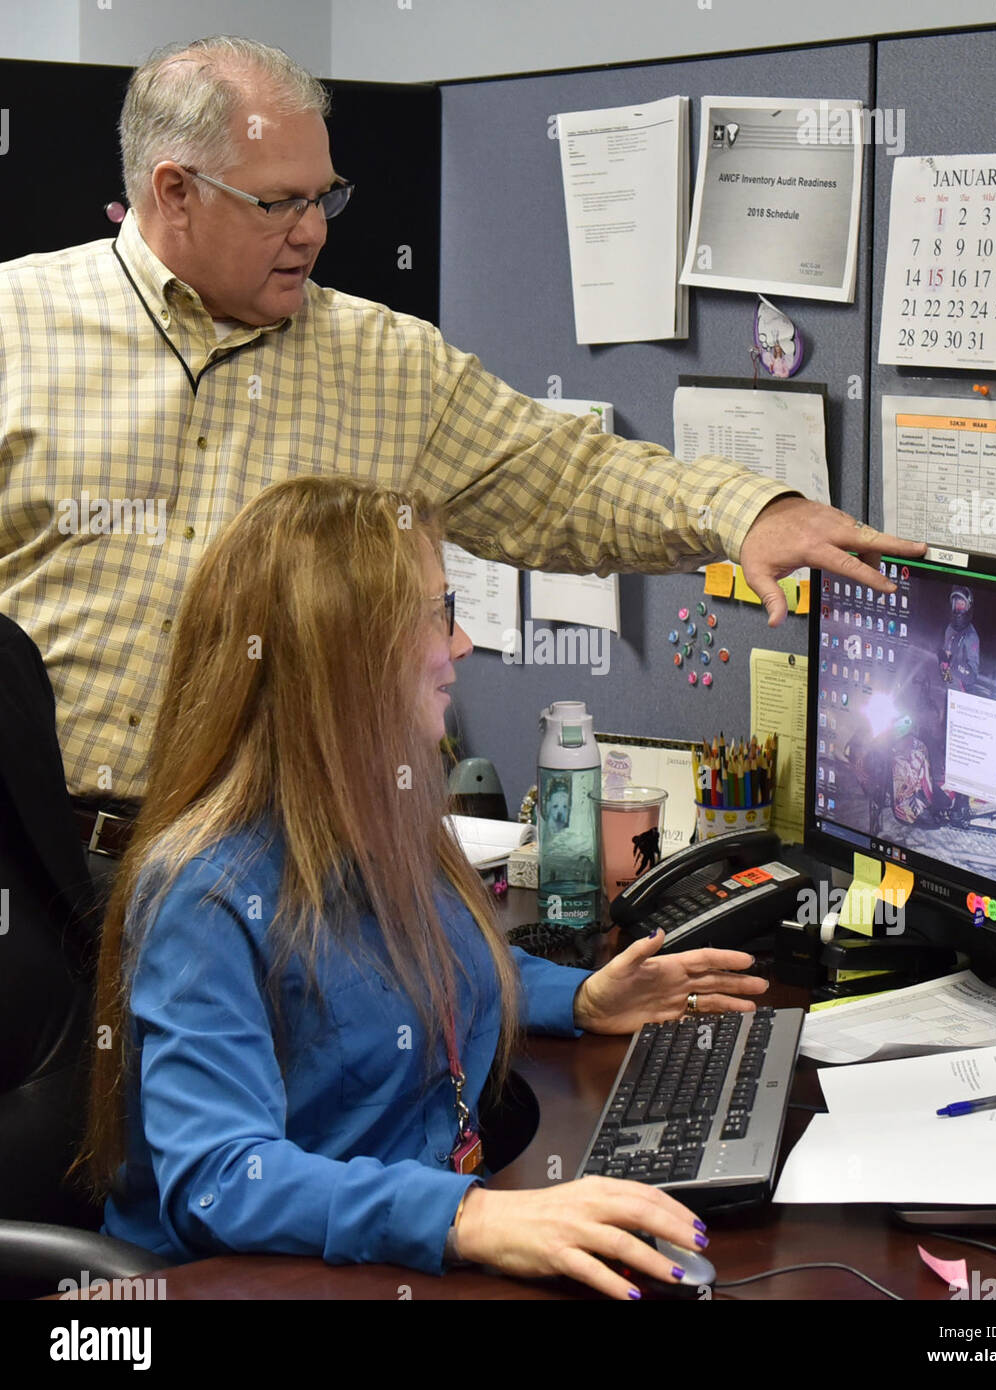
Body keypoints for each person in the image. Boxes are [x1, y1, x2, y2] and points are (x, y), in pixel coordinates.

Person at [0, 36, 925, 852]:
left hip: (269, 878)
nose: (313, 232)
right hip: (37, 862)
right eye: (279, 204)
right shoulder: (18, 327)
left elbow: (564, 478)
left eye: (325, 199)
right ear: (175, 191)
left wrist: (745, 511)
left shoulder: (383, 364)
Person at [73, 476, 770, 1299]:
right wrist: (468, 1218)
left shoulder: (387, 812)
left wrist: (579, 1000)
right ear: (347, 655)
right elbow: (225, 1177)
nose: (466, 642)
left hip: (389, 1259)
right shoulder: (205, 890)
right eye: (440, 613)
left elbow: (440, 959)